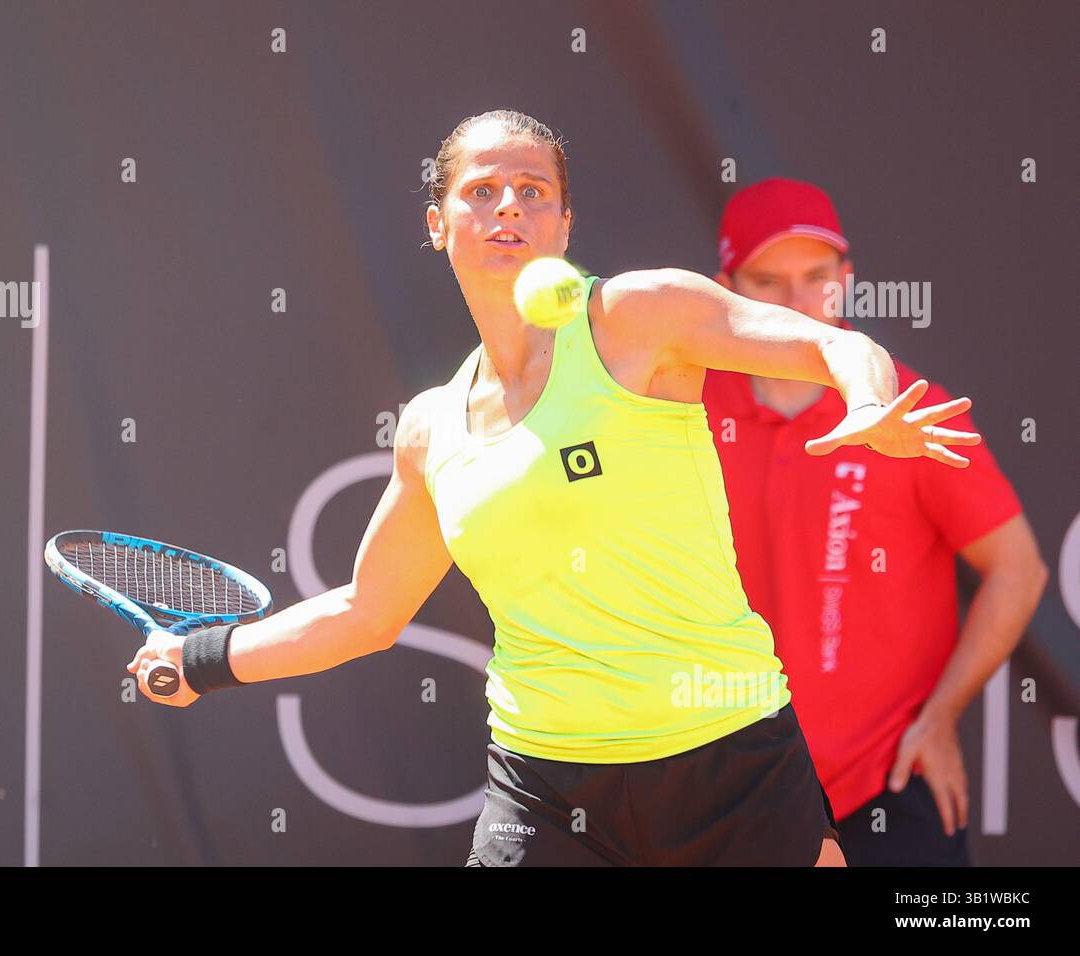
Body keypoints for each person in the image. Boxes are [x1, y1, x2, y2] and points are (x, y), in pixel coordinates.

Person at [127, 111, 980, 867]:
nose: (508, 207)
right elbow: (365, 612)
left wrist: (867, 399)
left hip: (727, 761)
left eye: (533, 190)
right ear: (437, 222)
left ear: (564, 224)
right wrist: (201, 660)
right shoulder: (430, 429)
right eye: (483, 189)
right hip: (544, 784)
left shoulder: (637, 319)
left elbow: (827, 344)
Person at [701, 178, 1049, 866]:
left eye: (817, 279)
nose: (799, 304)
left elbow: (1018, 569)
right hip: (734, 784)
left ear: (847, 280)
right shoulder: (681, 409)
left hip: (886, 781)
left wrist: (941, 716)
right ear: (725, 287)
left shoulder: (908, 409)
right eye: (768, 281)